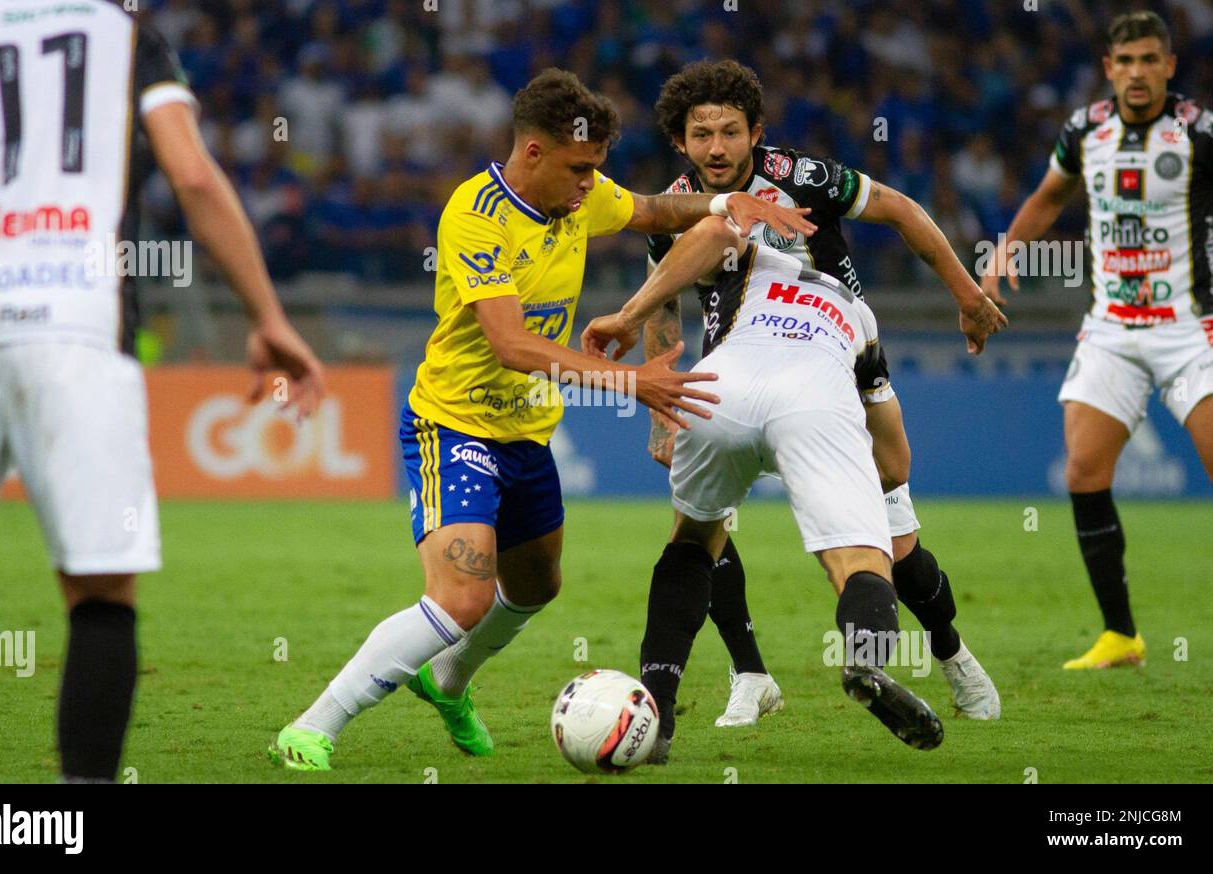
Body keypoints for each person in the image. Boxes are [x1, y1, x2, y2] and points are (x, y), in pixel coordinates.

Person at [268, 68, 812, 770]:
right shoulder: (474, 217)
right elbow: (512, 344)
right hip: (456, 426)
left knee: (537, 586)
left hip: (527, 436)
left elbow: (649, 210)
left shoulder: (581, 196)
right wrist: (631, 381)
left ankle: (450, 680)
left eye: (596, 171)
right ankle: (314, 725)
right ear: (532, 154)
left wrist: (727, 204)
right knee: (462, 596)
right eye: (580, 170)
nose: (591, 185)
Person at [0, 0, 324, 782]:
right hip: (81, 323)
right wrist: (266, 315)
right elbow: (191, 173)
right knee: (101, 591)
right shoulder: (125, 37)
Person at [636, 60, 1004, 751]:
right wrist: (662, 408)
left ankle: (951, 653)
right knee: (707, 526)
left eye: (730, 133)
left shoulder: (803, 176)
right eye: (701, 135)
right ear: (680, 142)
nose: (717, 148)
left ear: (756, 135)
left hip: (841, 351)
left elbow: (901, 209)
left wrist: (967, 293)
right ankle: (749, 673)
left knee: (896, 533)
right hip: (735, 368)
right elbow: (664, 303)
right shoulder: (677, 205)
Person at [584, 216, 971, 753]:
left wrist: (630, 315)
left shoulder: (748, 263)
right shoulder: (860, 316)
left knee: (693, 543)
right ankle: (864, 663)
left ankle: (658, 714)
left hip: (719, 390)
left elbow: (714, 234)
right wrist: (828, 482)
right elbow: (896, 464)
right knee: (861, 563)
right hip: (815, 394)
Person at [982, 11, 1213, 670]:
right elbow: (1047, 196)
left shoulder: (1205, 134)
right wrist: (1005, 254)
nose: (1138, 73)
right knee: (1085, 470)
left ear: (1170, 66)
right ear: (1108, 68)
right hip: (1112, 328)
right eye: (1125, 62)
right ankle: (1121, 636)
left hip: (1190, 324)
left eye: (1150, 60)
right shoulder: (1084, 130)